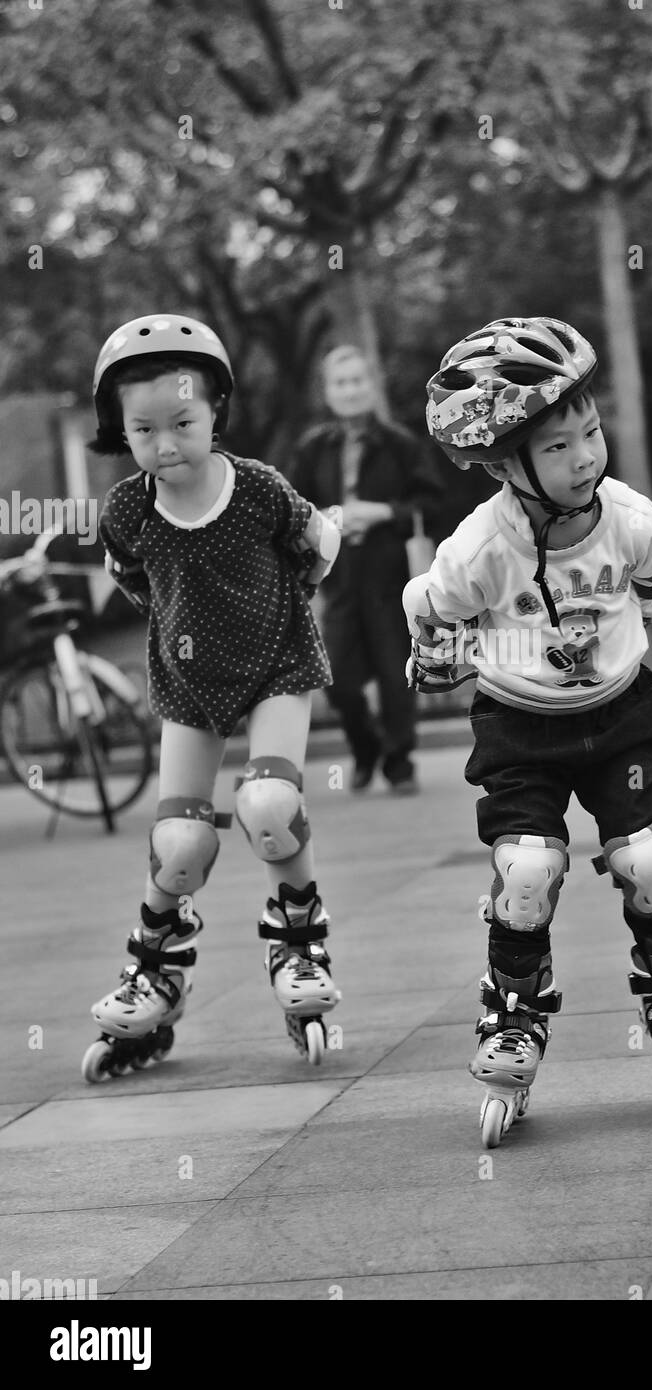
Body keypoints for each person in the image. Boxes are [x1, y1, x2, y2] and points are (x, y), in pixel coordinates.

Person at [403, 317, 652, 1147]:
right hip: (519, 726)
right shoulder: (480, 545)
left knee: (648, 861)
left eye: (590, 432)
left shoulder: (625, 515)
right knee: (527, 870)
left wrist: (641, 606)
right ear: (504, 463)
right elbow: (428, 602)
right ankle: (512, 1014)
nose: (585, 456)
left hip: (620, 714)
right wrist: (435, 656)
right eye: (558, 447)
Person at [84, 313, 343, 1080]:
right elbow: (133, 580)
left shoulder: (258, 489)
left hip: (277, 669)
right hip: (188, 687)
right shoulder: (127, 511)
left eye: (183, 422)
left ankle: (300, 950)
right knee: (181, 845)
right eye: (143, 430)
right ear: (120, 431)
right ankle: (156, 970)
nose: (166, 445)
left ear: (215, 411)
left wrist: (277, 612)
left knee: (266, 808)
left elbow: (315, 549)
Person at [291, 345, 443, 794]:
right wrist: (330, 517)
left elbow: (434, 504)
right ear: (328, 392)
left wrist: (381, 512)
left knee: (398, 675)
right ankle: (365, 749)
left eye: (358, 380)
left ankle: (399, 763)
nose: (351, 390)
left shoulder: (401, 444)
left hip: (390, 573)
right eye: (341, 382)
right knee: (337, 678)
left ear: (371, 387)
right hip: (337, 574)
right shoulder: (314, 446)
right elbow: (292, 508)